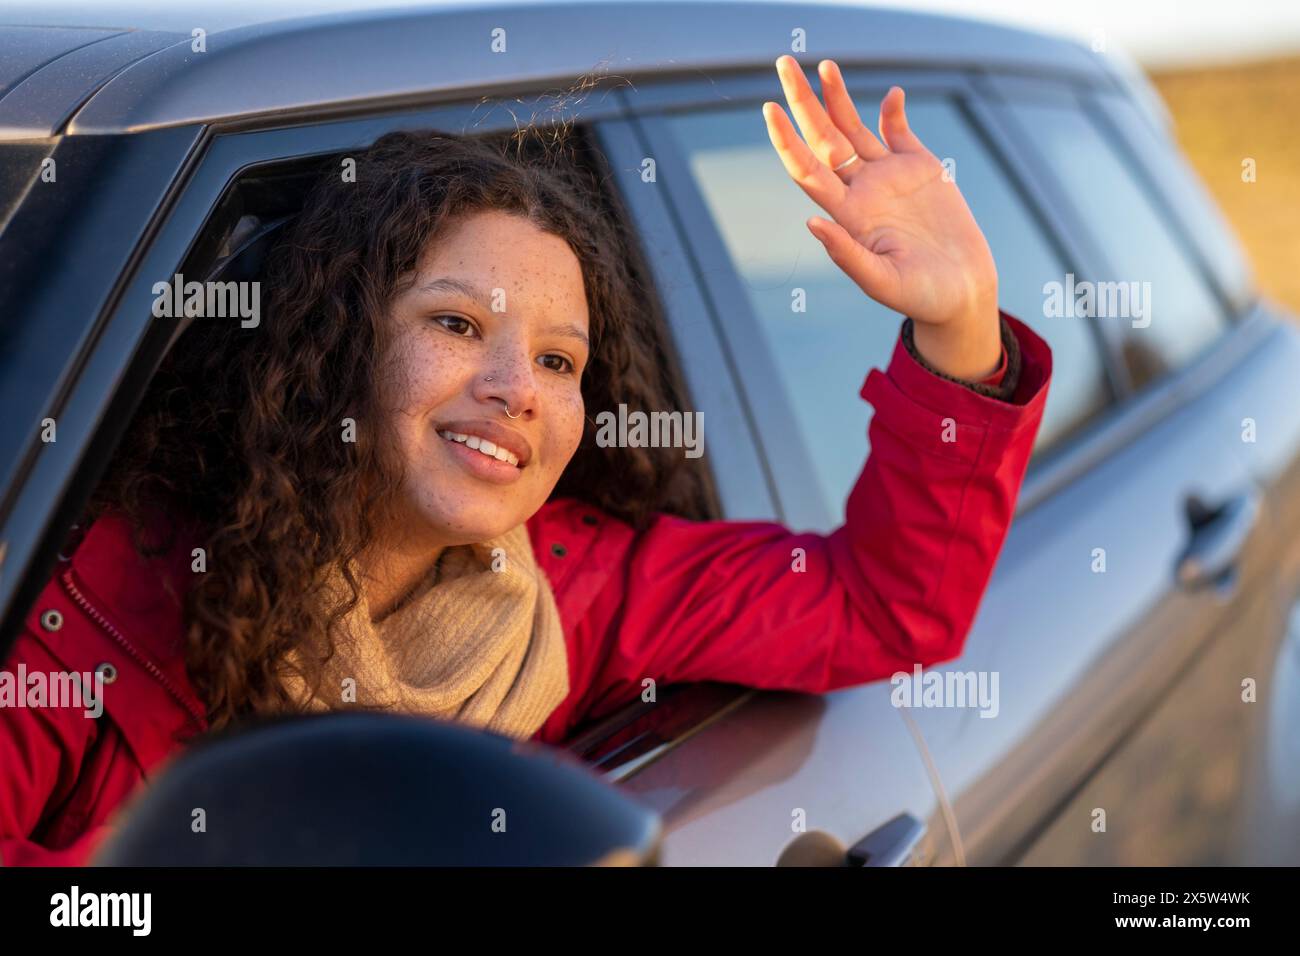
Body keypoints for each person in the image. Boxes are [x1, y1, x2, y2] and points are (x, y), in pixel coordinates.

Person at [0, 56, 1051, 865]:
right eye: (457, 325)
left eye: (558, 359)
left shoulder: (587, 587)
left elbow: (884, 604)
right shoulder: (98, 599)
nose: (518, 387)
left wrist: (959, 325)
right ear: (336, 343)